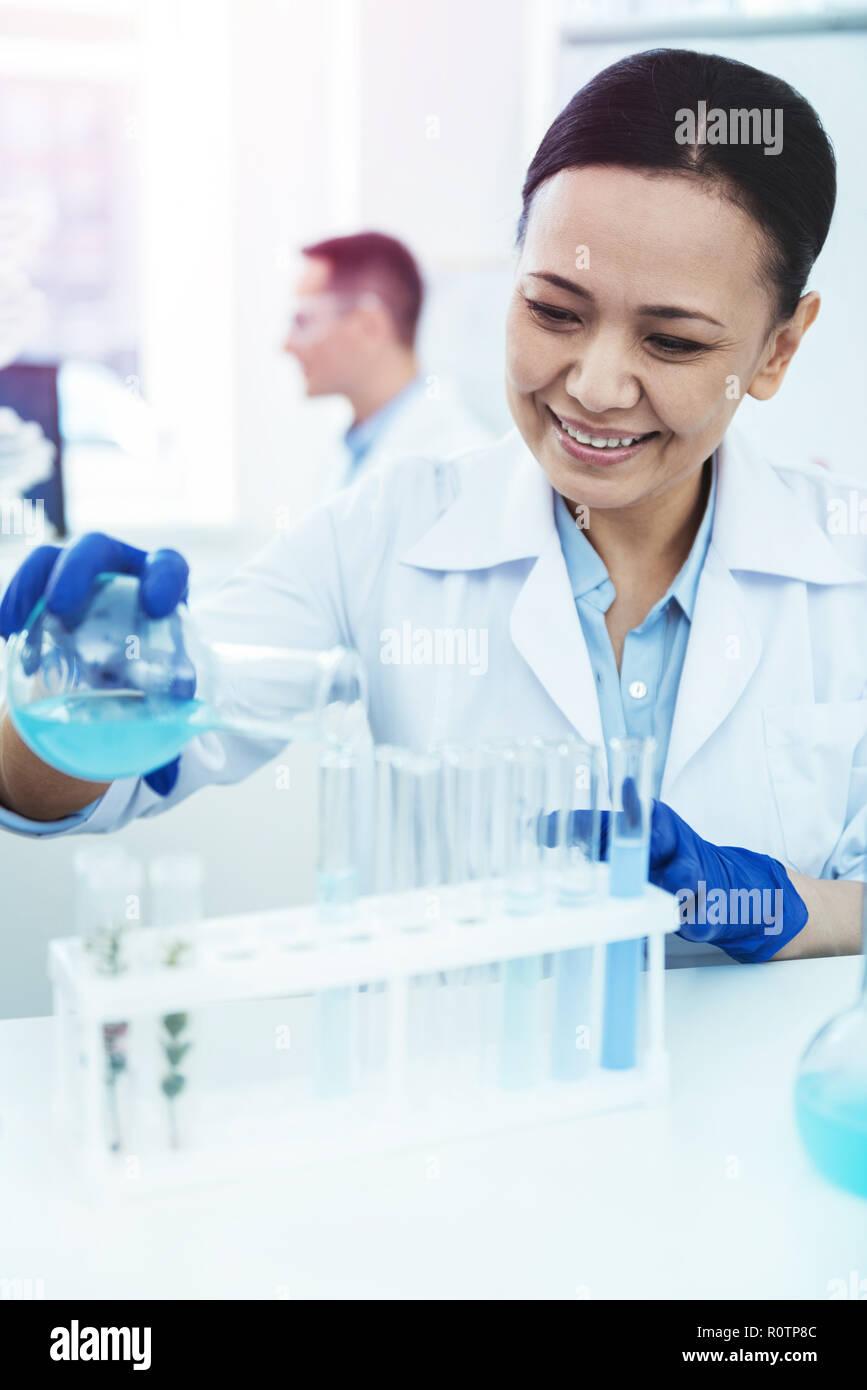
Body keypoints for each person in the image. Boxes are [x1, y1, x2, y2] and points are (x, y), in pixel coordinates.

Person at [1, 48, 865, 968]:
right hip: (461, 1098)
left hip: (762, 1103)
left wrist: (775, 905)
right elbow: (81, 782)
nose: (597, 386)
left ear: (776, 350)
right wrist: (74, 685)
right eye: (554, 312)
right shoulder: (381, 534)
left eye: (672, 341)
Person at [282, 231, 493, 495]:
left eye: (303, 322)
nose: (287, 345)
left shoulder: (453, 463)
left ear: (368, 326)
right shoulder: (350, 453)